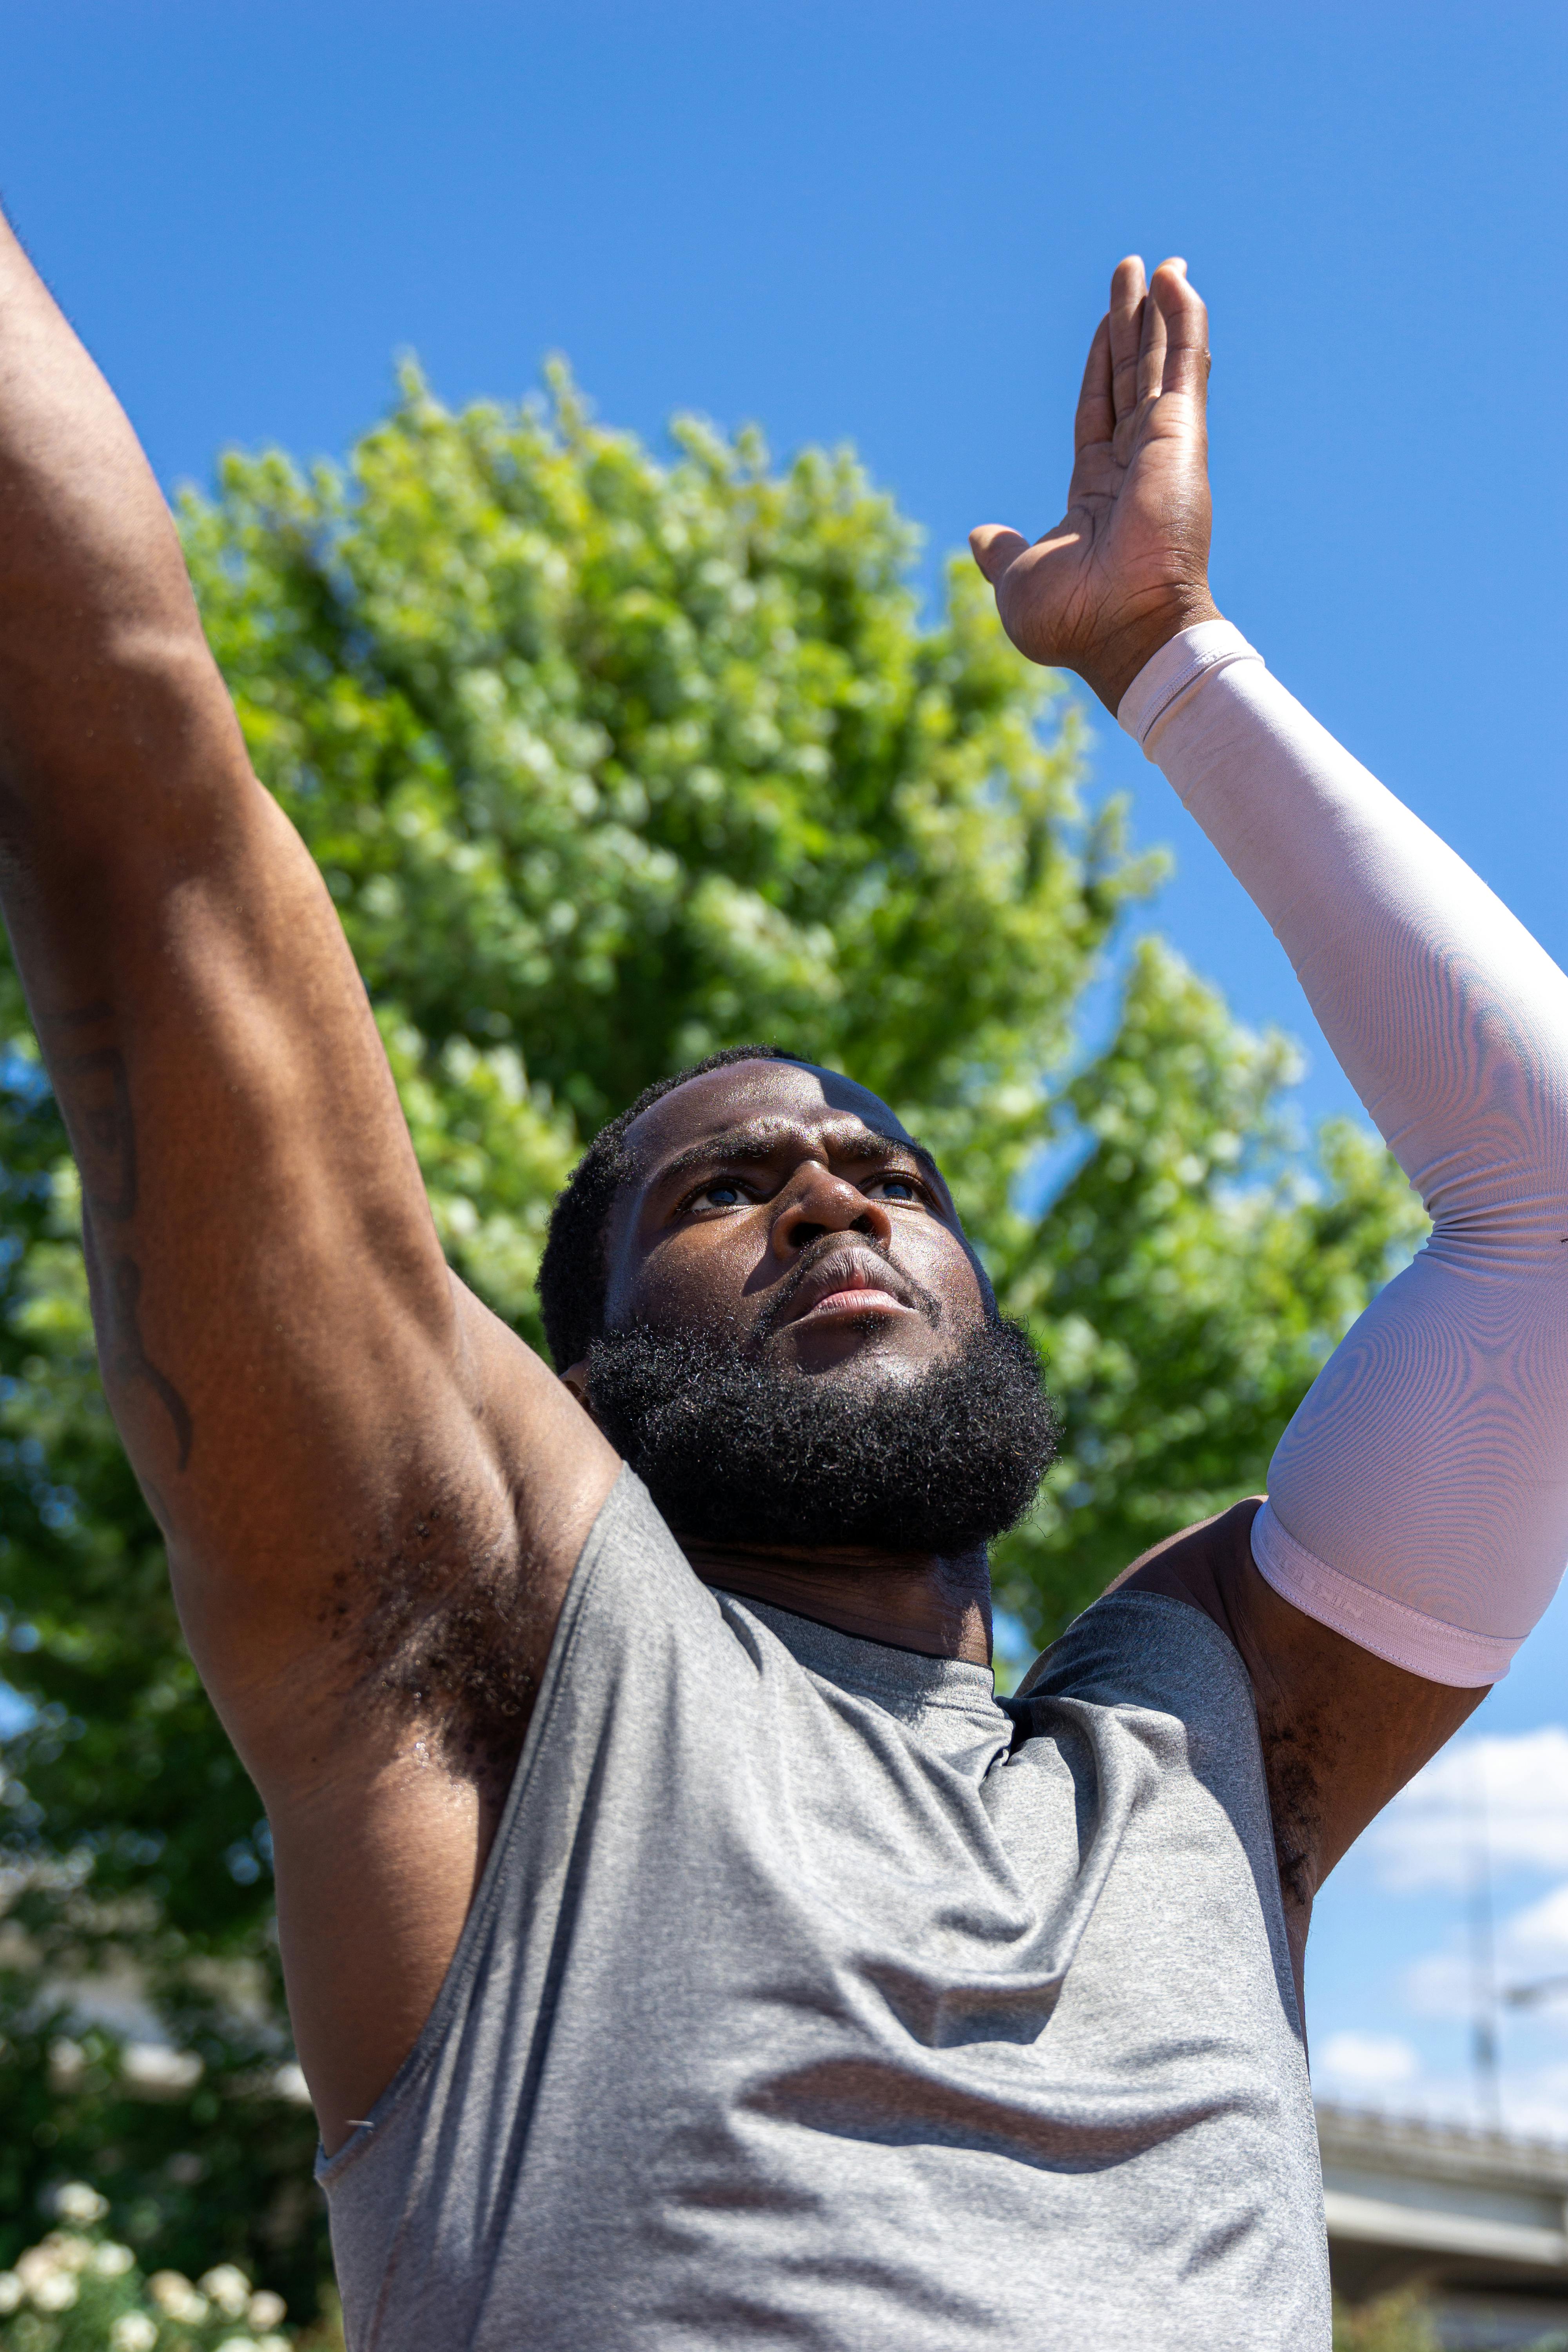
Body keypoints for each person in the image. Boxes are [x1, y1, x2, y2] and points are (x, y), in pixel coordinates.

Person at [0, 215, 1564, 2351]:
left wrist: (1167, 651)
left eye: (887, 1173)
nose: (835, 1199)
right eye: (726, 1192)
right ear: (581, 1369)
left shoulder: (1216, 1745)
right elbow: (135, 787)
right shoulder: (496, 1673)